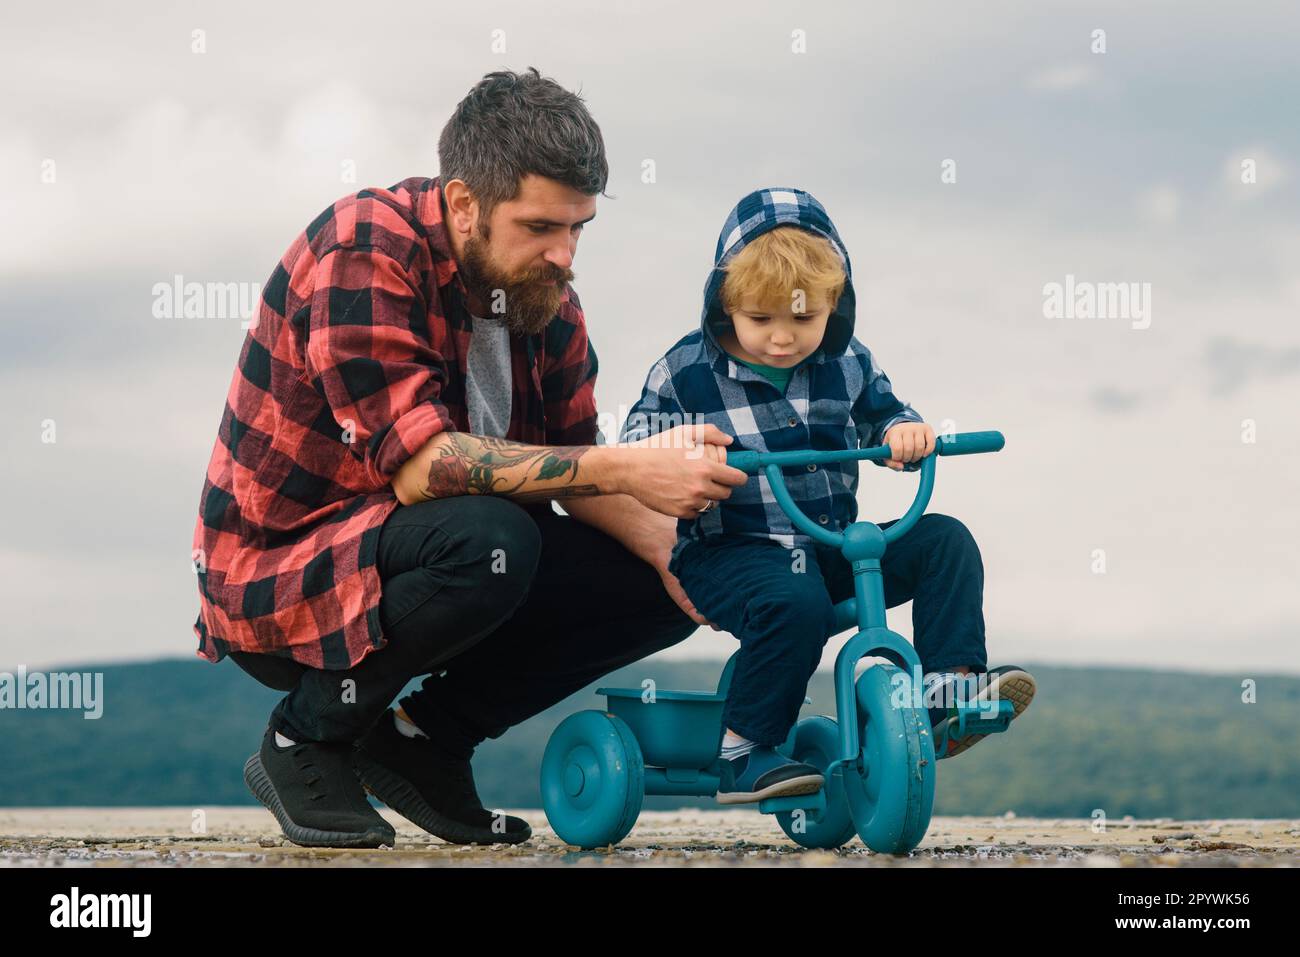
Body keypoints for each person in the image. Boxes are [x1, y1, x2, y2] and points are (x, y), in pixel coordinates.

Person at [191, 67, 748, 848]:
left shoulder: (546, 303)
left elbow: (575, 472)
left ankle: (424, 743)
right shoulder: (365, 243)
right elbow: (424, 470)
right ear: (463, 203)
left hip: (424, 551)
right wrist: (629, 467)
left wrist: (672, 553)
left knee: (659, 578)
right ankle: (304, 737)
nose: (564, 254)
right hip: (283, 573)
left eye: (577, 228)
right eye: (540, 227)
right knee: (491, 537)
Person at [619, 187, 1037, 804]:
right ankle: (743, 749)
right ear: (725, 301)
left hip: (827, 546)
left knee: (944, 540)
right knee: (794, 601)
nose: (783, 339)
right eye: (761, 320)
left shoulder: (847, 362)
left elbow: (887, 414)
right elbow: (636, 445)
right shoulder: (684, 371)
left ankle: (947, 692)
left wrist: (903, 433)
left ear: (832, 306)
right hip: (729, 553)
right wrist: (680, 454)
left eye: (803, 320)